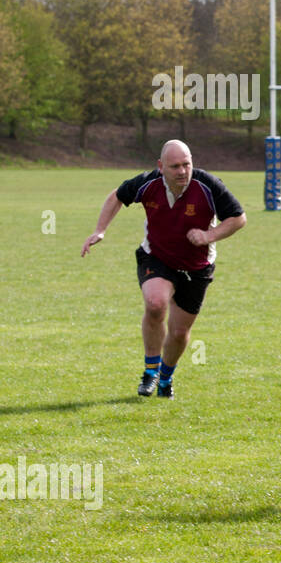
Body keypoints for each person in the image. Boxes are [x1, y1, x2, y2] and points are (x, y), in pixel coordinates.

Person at [81, 140, 246, 398]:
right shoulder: (148, 183)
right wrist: (100, 230)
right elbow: (116, 196)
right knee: (156, 304)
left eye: (186, 164)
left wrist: (209, 235)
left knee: (180, 332)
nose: (182, 171)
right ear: (161, 167)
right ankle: (150, 371)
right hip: (156, 257)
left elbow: (238, 218)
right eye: (175, 166)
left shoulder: (209, 186)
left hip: (197, 267)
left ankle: (165, 378)